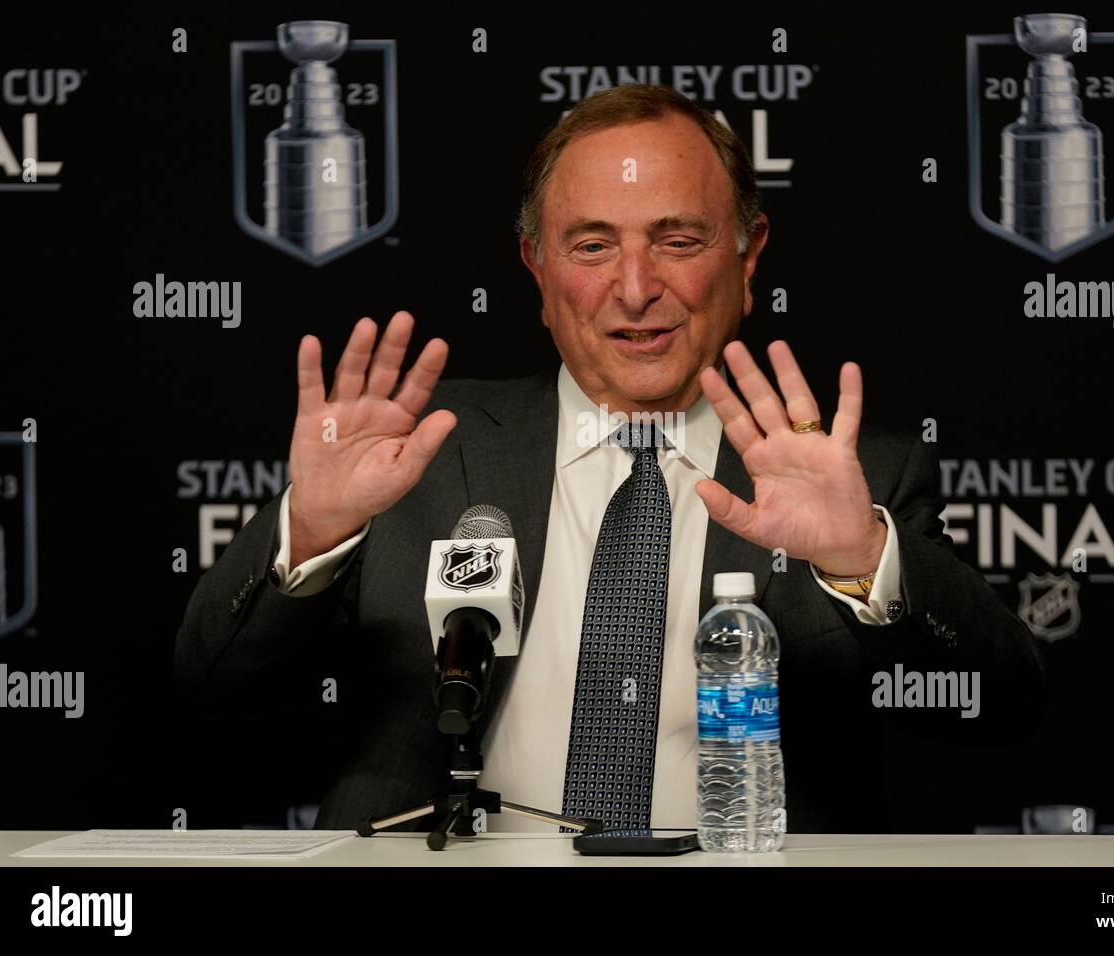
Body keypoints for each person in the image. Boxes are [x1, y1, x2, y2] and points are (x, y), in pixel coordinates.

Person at [175, 83, 1045, 835]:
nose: (635, 288)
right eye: (593, 245)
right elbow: (211, 705)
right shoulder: (413, 455)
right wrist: (313, 532)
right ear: (539, 269)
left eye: (678, 240)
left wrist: (862, 561)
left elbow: (1005, 713)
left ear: (749, 261)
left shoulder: (861, 478)